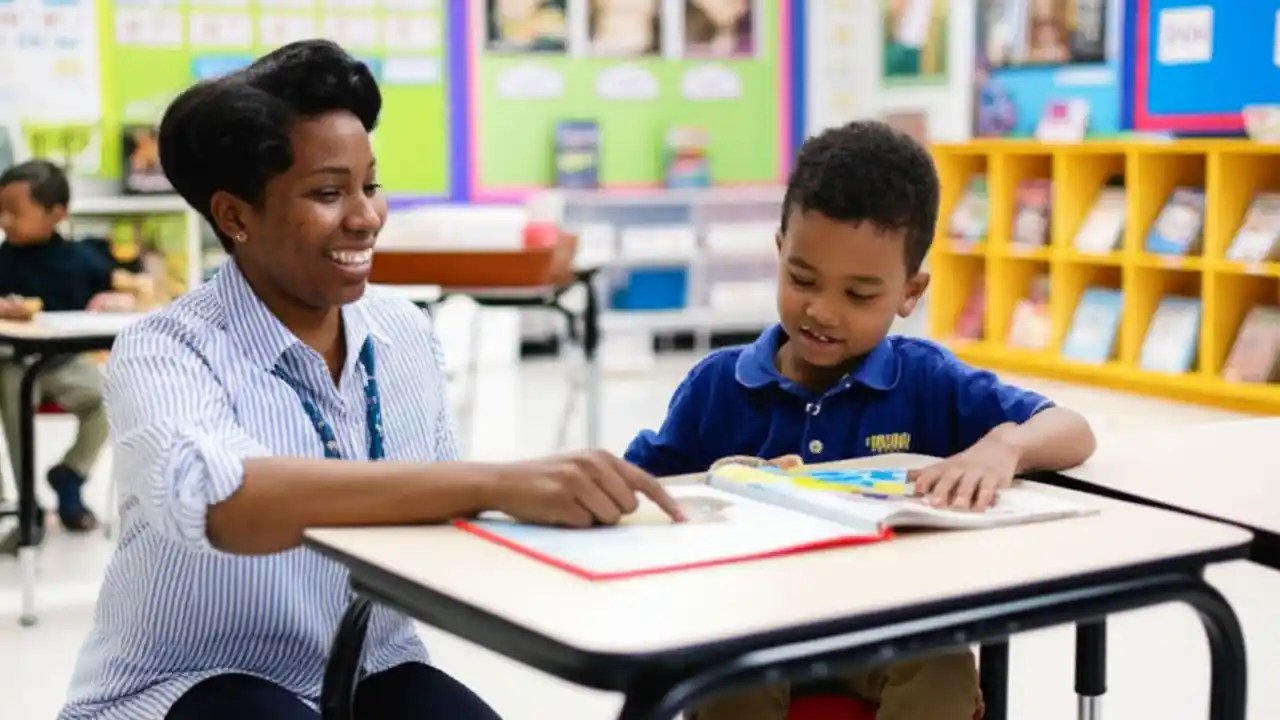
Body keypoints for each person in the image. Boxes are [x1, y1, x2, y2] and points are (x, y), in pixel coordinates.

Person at [59, 40, 681, 720]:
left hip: (366, 665)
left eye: (370, 186)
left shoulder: (402, 332)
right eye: (329, 193)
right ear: (235, 216)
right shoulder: (165, 349)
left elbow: (434, 516)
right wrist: (496, 481)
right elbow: (225, 500)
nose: (366, 217)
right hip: (194, 683)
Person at [624, 120, 1097, 720]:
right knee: (728, 676)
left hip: (886, 632)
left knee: (943, 665)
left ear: (910, 291)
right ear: (779, 253)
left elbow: (1074, 429)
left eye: (860, 295)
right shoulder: (719, 386)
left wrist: (1005, 445)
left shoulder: (926, 380)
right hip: (754, 627)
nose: (822, 311)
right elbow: (636, 494)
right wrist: (717, 485)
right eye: (802, 280)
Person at [0, 160, 135, 530]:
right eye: (0, 211)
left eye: (14, 212)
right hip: (13, 363)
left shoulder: (84, 259)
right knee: (15, 406)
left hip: (66, 360)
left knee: (108, 399)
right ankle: (28, 505)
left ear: (56, 214)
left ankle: (71, 475)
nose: (5, 221)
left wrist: (117, 299)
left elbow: (130, 287)